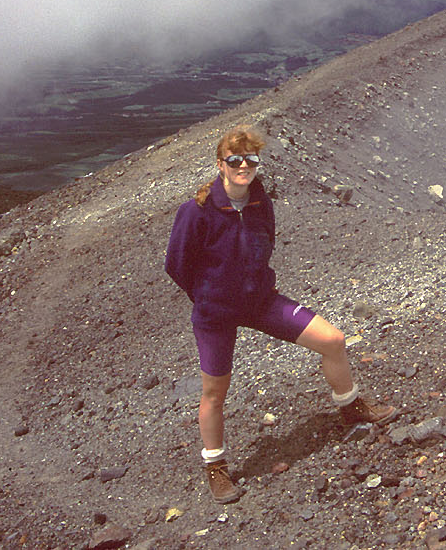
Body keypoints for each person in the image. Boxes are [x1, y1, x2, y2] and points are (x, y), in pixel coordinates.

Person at [165, 126, 396, 503]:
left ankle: (351, 407)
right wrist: (206, 296)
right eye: (235, 159)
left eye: (251, 159)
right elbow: (176, 264)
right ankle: (216, 466)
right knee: (213, 392)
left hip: (260, 301)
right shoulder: (196, 211)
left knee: (334, 340)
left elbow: (266, 241)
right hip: (215, 313)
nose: (244, 166)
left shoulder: (260, 202)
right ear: (220, 165)